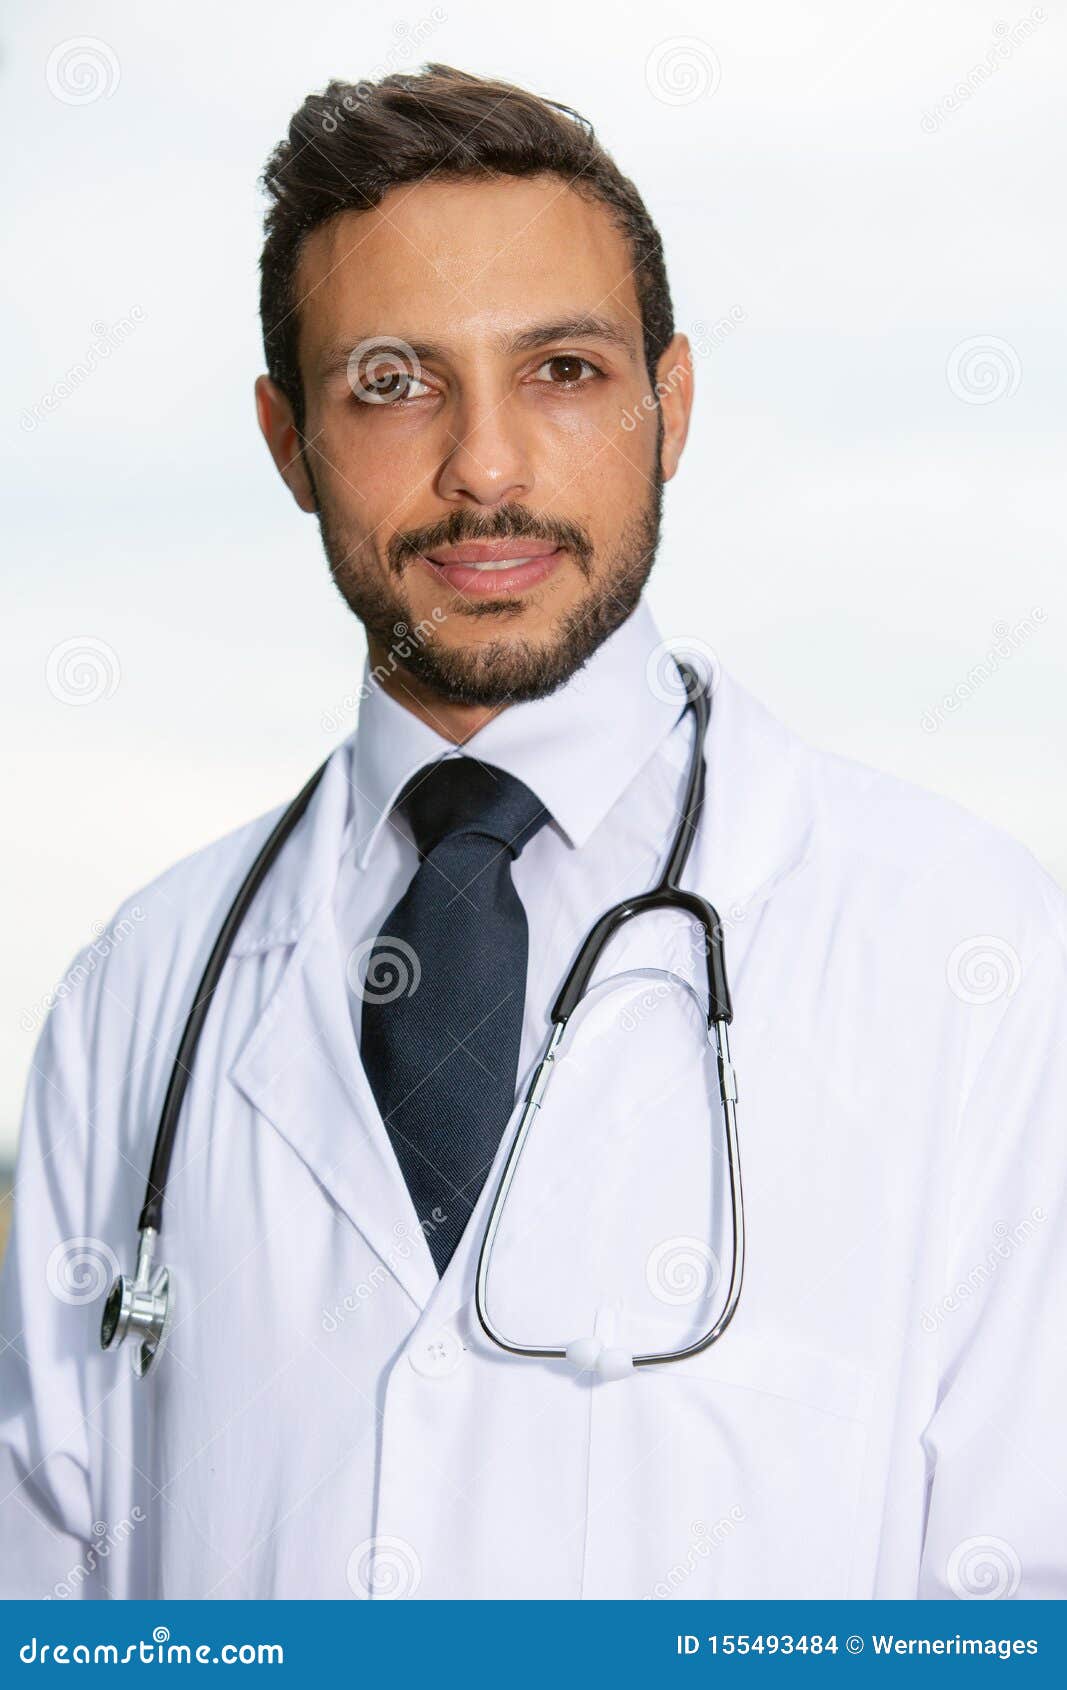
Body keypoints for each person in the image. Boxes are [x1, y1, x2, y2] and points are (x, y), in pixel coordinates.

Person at [1, 64, 1064, 1602]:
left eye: (562, 369)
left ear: (670, 405)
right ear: (288, 440)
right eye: (391, 383)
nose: (486, 466)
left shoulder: (977, 954)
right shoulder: (136, 994)